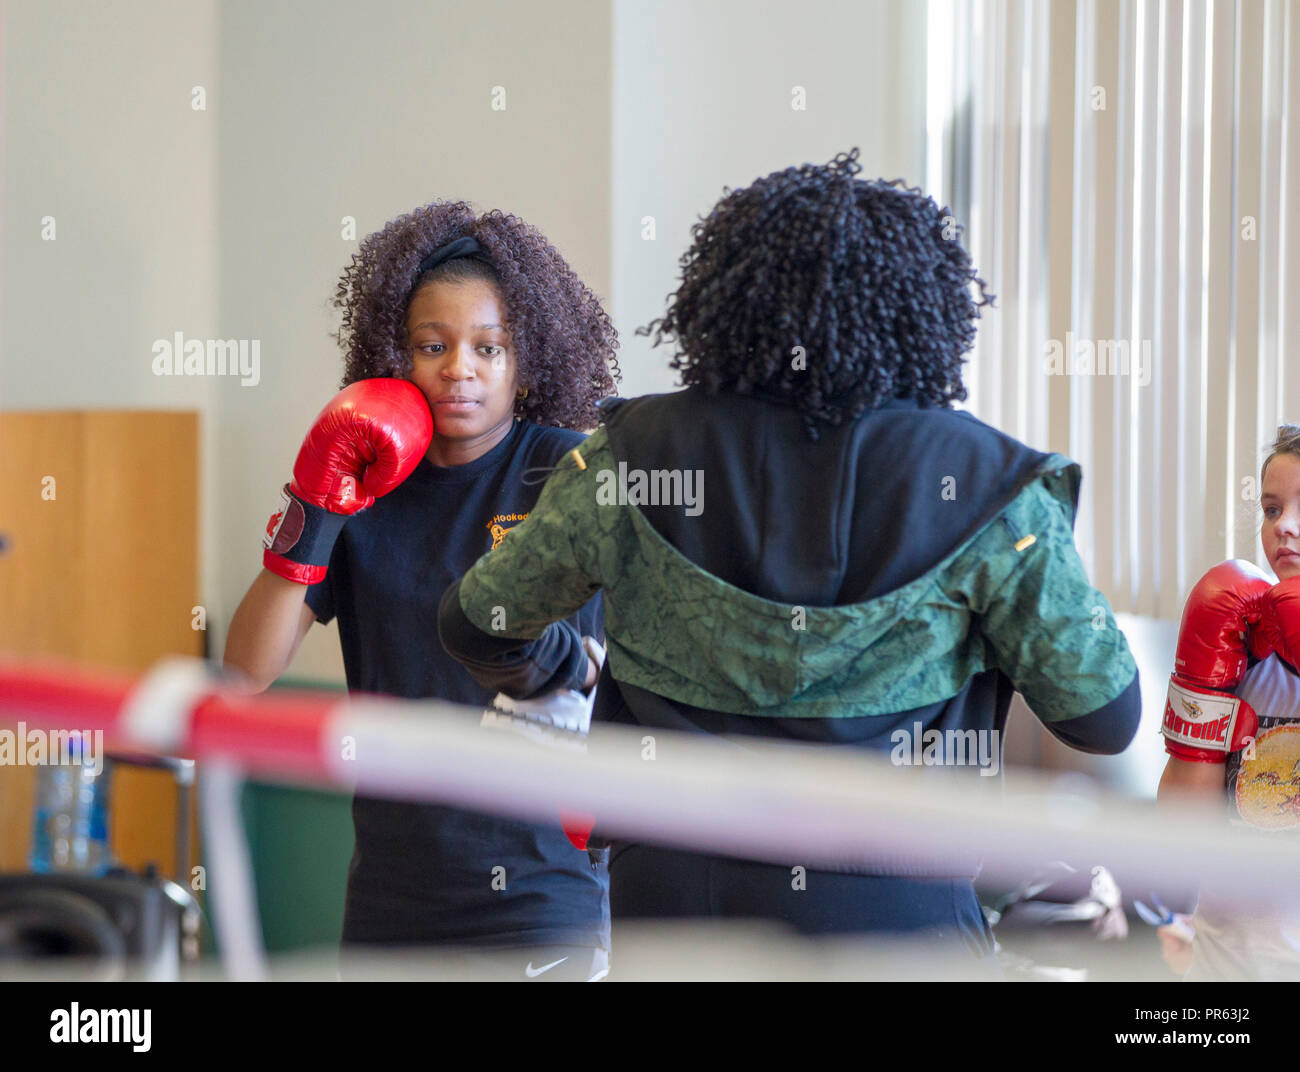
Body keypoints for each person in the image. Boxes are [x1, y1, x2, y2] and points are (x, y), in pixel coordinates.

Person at [438, 148, 1141, 967]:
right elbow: (1103, 717)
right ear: (926, 311)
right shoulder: (990, 487)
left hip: (671, 900)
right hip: (898, 900)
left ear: (724, 298)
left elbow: (474, 624)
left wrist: (566, 665)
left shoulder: (630, 455)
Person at [223, 200, 619, 981]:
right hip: (393, 892)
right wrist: (315, 507)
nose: (459, 368)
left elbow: (626, 656)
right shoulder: (362, 482)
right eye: (431, 345)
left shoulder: (572, 472)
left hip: (542, 889)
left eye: (488, 346)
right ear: (393, 355)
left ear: (527, 359)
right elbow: (244, 671)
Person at [1156, 424, 1300, 981]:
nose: (1284, 526)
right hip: (1227, 966)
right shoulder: (1235, 636)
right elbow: (1180, 837)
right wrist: (1204, 688)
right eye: (1271, 508)